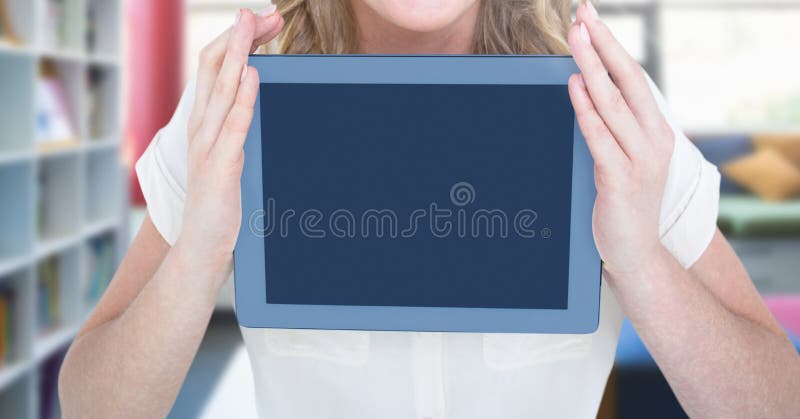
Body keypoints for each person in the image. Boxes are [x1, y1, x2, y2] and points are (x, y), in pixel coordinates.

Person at [59, 1, 800, 418]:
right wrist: (199, 251)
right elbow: (92, 404)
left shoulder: (612, 107)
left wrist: (639, 260)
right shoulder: (235, 101)